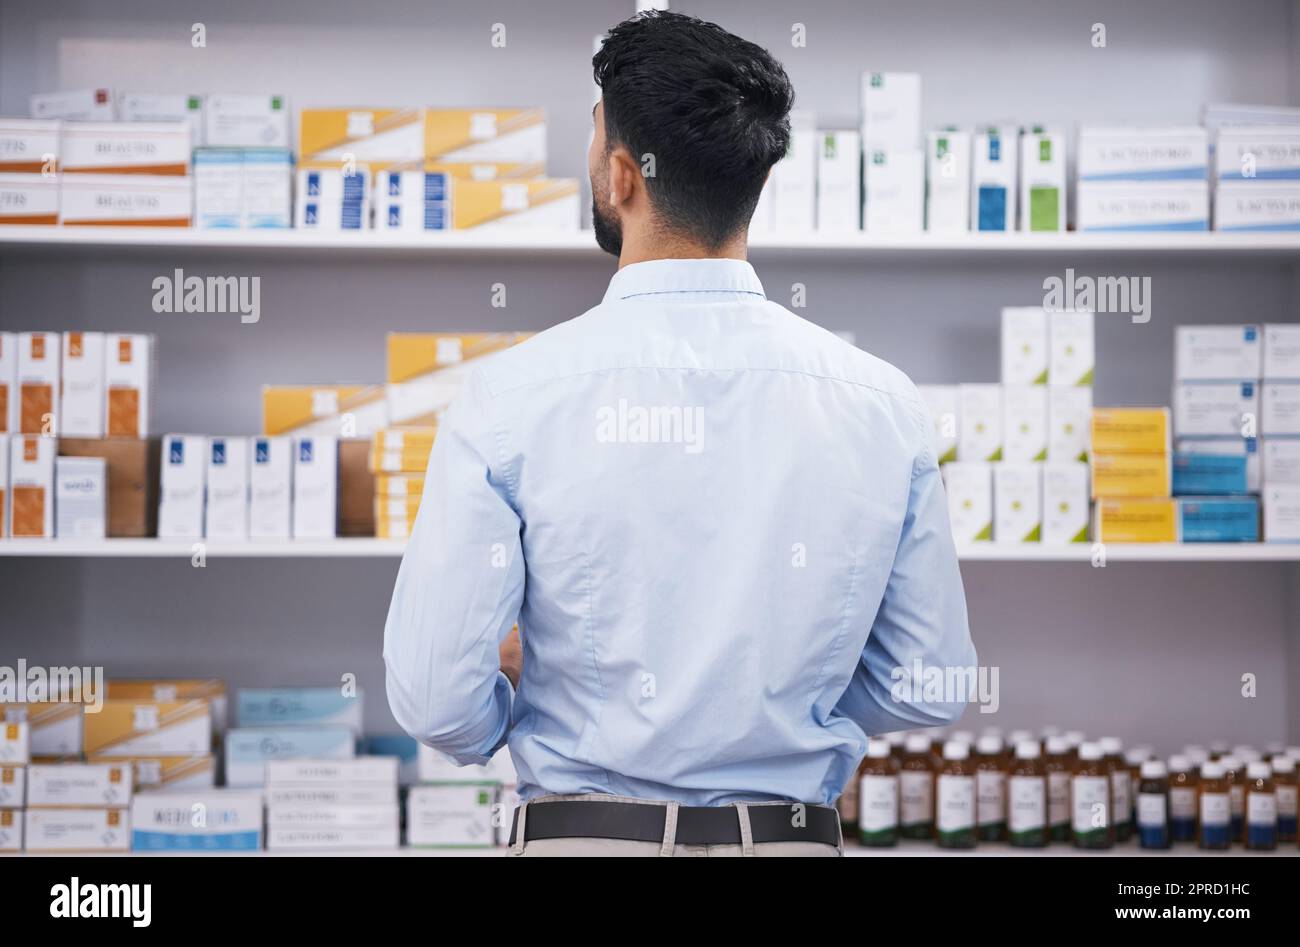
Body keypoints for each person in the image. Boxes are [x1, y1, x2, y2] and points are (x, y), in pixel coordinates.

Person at [384, 10, 976, 857]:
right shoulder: (881, 401)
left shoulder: (511, 397)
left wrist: (514, 704)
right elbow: (929, 683)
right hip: (791, 839)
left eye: (592, 139)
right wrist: (793, 702)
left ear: (624, 174)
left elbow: (437, 698)